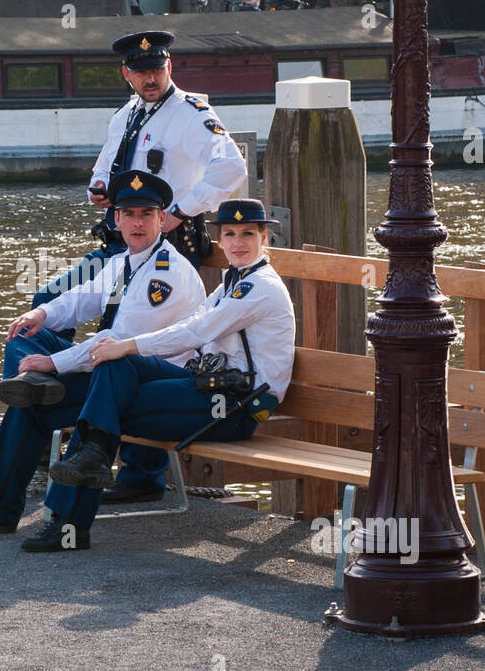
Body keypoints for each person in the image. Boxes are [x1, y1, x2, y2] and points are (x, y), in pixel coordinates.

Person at [27, 29, 246, 501]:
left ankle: (135, 473)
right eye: (142, 72)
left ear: (171, 68)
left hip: (165, 245)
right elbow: (105, 165)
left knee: (140, 346)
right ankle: (60, 406)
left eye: (158, 70)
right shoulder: (126, 114)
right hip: (117, 243)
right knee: (47, 302)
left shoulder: (191, 114)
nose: (151, 78)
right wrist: (99, 189)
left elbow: (231, 168)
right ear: (126, 74)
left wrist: (181, 210)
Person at [0, 171, 206, 549]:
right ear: (116, 219)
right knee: (26, 339)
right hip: (114, 374)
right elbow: (79, 299)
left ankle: (31, 518)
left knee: (47, 402)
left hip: (151, 386)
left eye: (147, 213)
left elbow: (114, 344)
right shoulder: (125, 262)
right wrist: (42, 316)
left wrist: (53, 365)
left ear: (163, 219)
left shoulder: (167, 274)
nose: (138, 222)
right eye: (129, 214)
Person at [40, 198, 296, 551]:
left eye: (248, 234)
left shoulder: (259, 287)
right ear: (220, 239)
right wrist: (124, 350)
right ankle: (92, 459)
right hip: (206, 387)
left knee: (112, 401)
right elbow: (191, 324)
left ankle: (68, 521)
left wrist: (129, 344)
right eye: (230, 234)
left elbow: (197, 332)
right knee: (114, 368)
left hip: (236, 407)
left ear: (264, 239)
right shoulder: (231, 282)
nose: (238, 243)